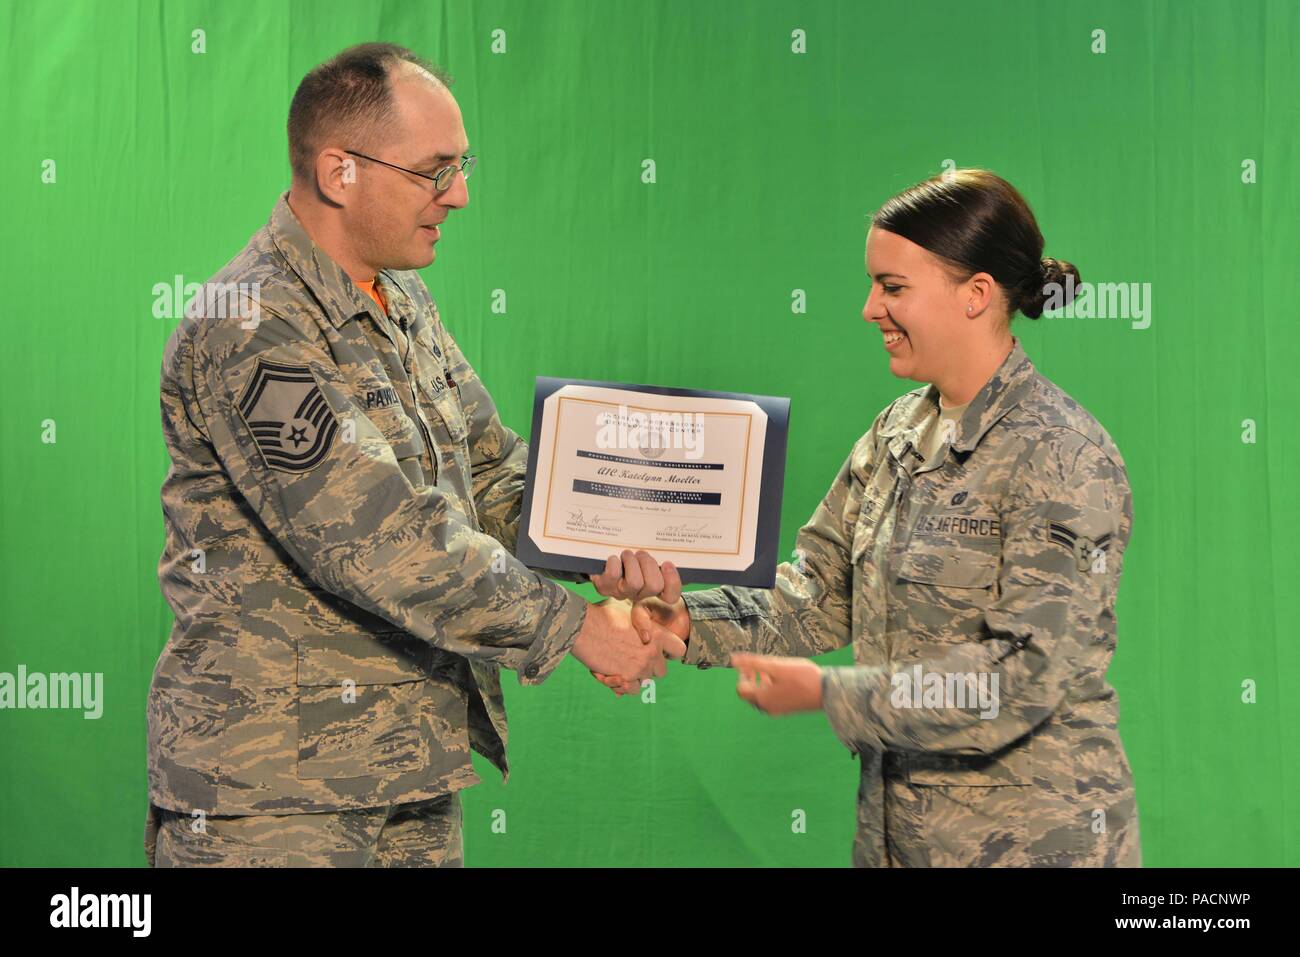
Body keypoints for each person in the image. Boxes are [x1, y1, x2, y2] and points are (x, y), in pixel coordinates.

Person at [145, 42, 680, 868]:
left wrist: (622, 530)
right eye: (435, 171)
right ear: (339, 172)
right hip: (273, 799)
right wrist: (574, 627)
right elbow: (379, 536)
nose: (458, 195)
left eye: (463, 167)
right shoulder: (249, 324)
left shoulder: (400, 300)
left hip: (408, 768)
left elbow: (493, 471)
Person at [599, 169, 1141, 867]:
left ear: (976, 294)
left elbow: (1021, 677)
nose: (868, 309)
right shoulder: (895, 434)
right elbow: (818, 594)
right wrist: (685, 622)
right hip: (896, 839)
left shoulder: (1064, 456)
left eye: (893, 287)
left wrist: (831, 693)